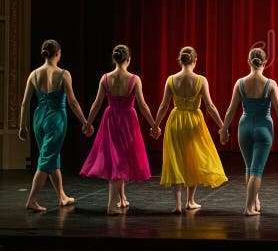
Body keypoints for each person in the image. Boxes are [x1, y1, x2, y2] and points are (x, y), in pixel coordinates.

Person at [80, 45, 157, 215]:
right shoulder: (134, 79)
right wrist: (154, 124)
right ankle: (110, 206)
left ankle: (122, 199)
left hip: (111, 119)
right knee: (119, 160)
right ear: (128, 59)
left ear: (114, 59)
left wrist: (88, 122)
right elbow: (143, 105)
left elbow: (97, 103)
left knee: (118, 159)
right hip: (127, 120)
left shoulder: (105, 78)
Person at [152, 46, 228, 214]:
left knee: (176, 161)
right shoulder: (200, 80)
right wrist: (223, 126)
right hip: (194, 121)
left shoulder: (171, 79)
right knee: (192, 159)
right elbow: (210, 106)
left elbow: (164, 105)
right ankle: (190, 201)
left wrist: (155, 124)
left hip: (175, 121)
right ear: (195, 60)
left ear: (180, 60)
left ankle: (178, 204)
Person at [18, 39, 91, 211]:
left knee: (52, 156)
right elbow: (72, 102)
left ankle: (62, 196)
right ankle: (32, 200)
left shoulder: (34, 74)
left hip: (39, 119)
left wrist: (22, 126)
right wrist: (85, 122)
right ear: (57, 53)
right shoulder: (63, 74)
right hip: (55, 118)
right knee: (46, 159)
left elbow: (24, 102)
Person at [220, 47, 278, 216]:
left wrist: (224, 129)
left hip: (244, 127)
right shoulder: (270, 84)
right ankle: (248, 208)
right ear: (265, 63)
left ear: (248, 62)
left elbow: (231, 110)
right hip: (263, 128)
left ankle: (254, 200)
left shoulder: (240, 83)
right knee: (256, 170)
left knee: (249, 168)